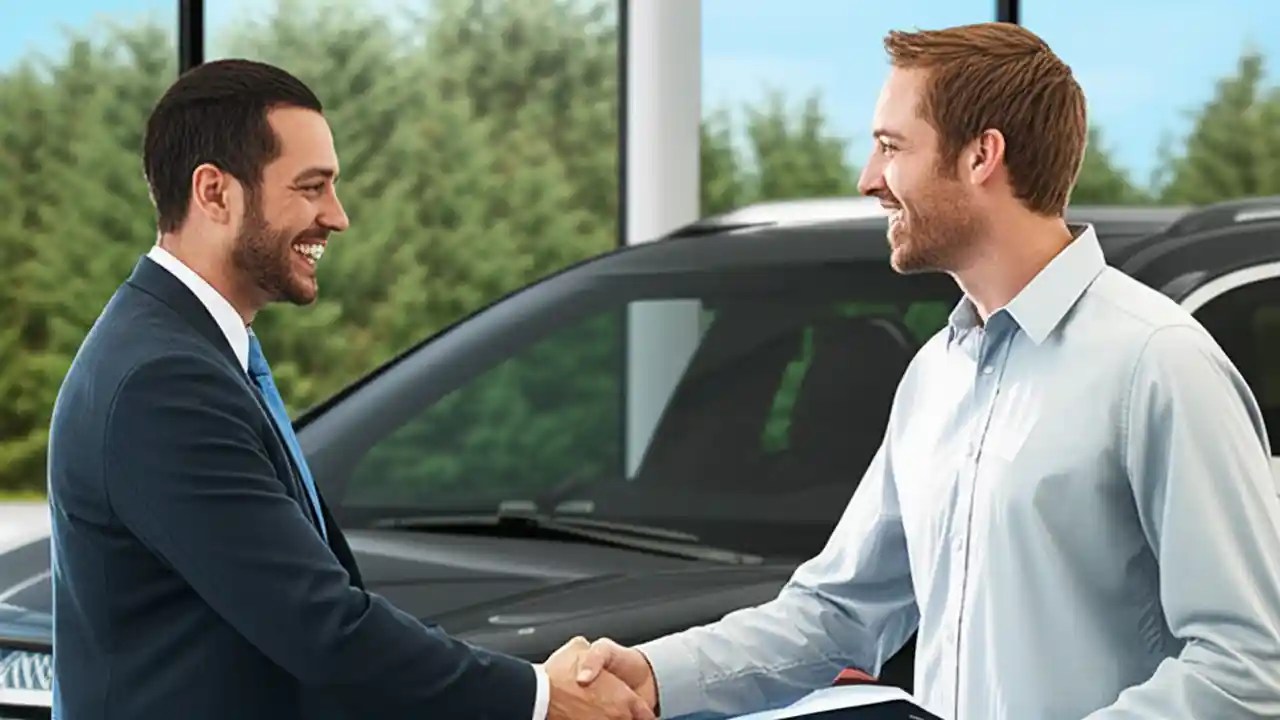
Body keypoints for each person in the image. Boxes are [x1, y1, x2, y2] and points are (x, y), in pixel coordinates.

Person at [563, 21, 1280, 720]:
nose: (868, 178)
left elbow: (1246, 666)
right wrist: (657, 675)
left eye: (890, 146)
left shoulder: (1158, 364)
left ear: (981, 156)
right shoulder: (937, 375)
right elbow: (837, 612)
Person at [46, 58, 653, 720]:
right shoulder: (164, 382)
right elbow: (320, 627)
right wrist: (541, 695)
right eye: (311, 188)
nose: (337, 217)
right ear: (215, 193)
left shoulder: (180, 348)